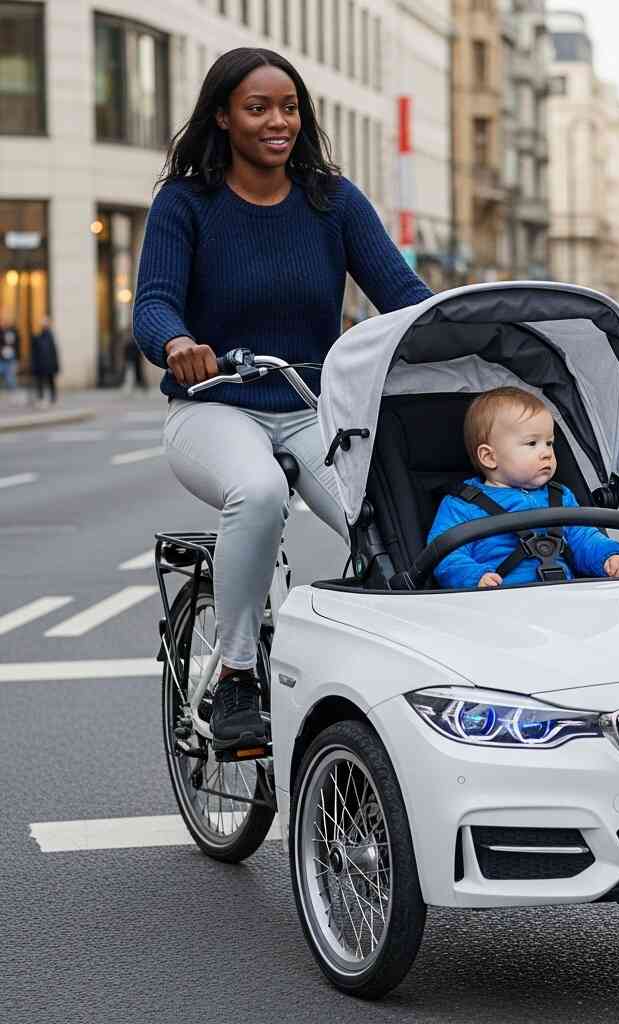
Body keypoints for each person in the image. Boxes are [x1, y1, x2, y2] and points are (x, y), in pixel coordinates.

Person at [132, 48, 432, 752]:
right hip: (214, 407)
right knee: (260, 492)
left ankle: (374, 677)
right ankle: (237, 672)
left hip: (310, 406)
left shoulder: (331, 200)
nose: (278, 121)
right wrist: (177, 343)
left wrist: (454, 334)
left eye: (289, 107)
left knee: (386, 524)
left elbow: (402, 294)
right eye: (258, 107)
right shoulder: (186, 202)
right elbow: (152, 305)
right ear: (223, 117)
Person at [428, 387, 619, 589]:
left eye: (549, 443)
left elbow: (584, 538)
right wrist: (474, 577)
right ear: (489, 457)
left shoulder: (560, 497)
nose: (547, 453)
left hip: (563, 595)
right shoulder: (462, 505)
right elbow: (446, 554)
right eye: (532, 444)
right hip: (499, 599)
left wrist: (611, 556)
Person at [30, 317, 59, 404]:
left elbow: (53, 351)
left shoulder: (50, 336)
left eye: (46, 324)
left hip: (49, 364)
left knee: (50, 381)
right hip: (41, 364)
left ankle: (52, 397)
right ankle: (41, 397)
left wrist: (55, 364)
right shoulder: (38, 336)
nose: (44, 325)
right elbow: (35, 351)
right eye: (43, 324)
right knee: (40, 382)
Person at [0, 319, 18, 394]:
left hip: (10, 356)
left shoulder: (11, 332)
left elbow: (14, 343)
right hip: (2, 356)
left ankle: (11, 389)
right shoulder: (1, 333)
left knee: (10, 374)